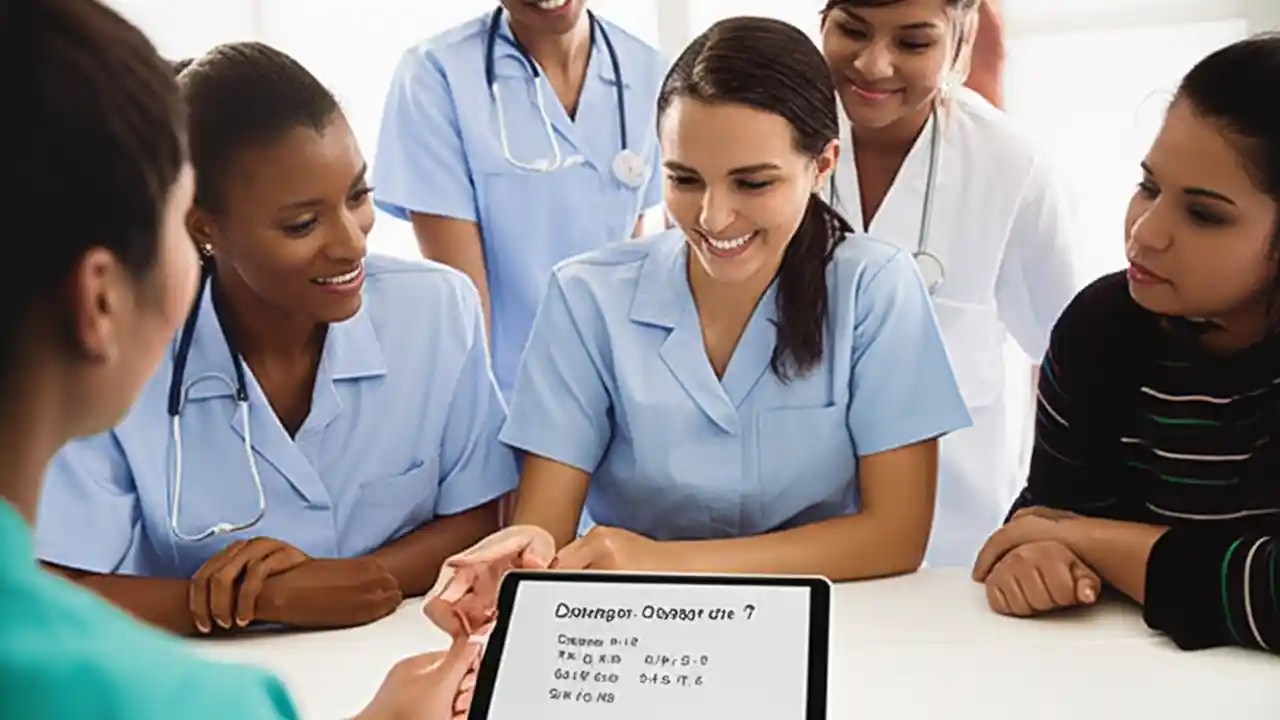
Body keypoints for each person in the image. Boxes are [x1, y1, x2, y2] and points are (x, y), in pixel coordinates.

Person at [423, 16, 973, 637]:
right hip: (629, 633)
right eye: (684, 179)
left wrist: (663, 564)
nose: (713, 216)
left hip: (832, 626)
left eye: (753, 182)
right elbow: (544, 532)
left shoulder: (876, 288)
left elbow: (894, 536)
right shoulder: (586, 297)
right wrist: (511, 565)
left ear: (822, 165)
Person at [3, 1, 477, 717]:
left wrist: (358, 578)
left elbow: (481, 511)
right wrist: (249, 602)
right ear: (201, 228)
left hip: (388, 649)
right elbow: (62, 581)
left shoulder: (435, 308)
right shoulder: (108, 360)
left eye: (360, 195)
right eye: (300, 223)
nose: (350, 242)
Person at [972, 34, 1280, 654]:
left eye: (1205, 215)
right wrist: (1040, 559)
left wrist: (1089, 541)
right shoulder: (1102, 327)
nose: (1145, 232)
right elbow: (1044, 521)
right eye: (1148, 186)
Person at [819, 0, 1082, 567]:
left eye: (913, 44)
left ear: (961, 42)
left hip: (952, 536)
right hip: (791, 529)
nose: (873, 64)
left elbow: (1068, 358)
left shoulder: (1012, 165)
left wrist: (1060, 516)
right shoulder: (771, 137)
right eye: (851, 31)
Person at [373, 0, 669, 400]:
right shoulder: (437, 75)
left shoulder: (649, 72)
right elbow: (463, 298)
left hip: (616, 388)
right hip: (506, 398)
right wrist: (483, 424)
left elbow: (628, 263)